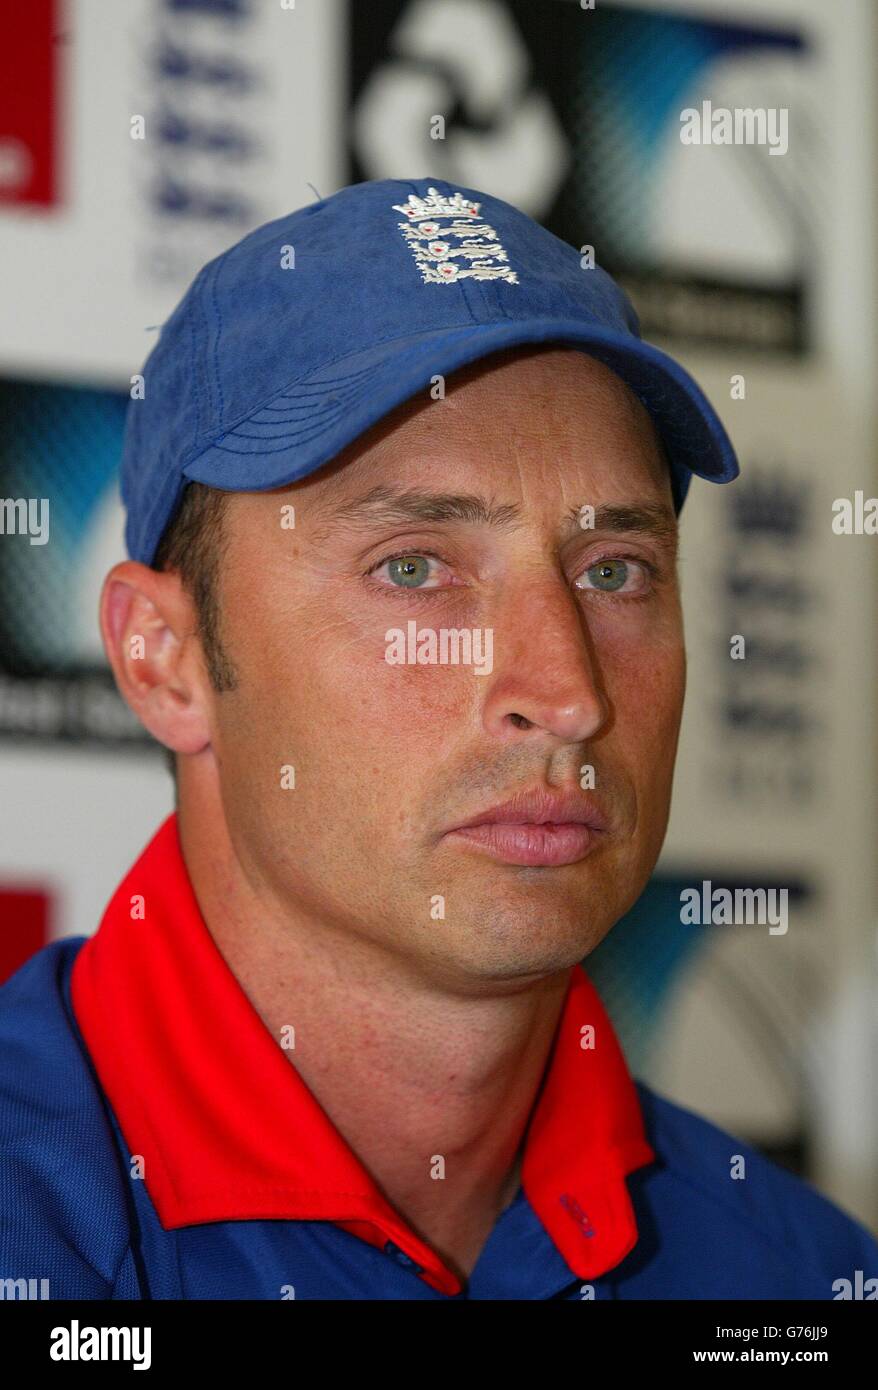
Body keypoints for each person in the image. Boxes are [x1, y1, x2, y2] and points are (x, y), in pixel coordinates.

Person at [2, 178, 876, 1300]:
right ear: (164, 659)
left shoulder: (794, 1279)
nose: (565, 694)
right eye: (412, 568)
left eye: (613, 571)